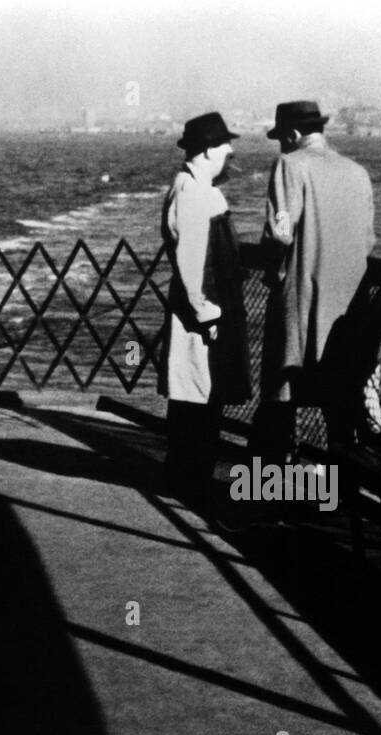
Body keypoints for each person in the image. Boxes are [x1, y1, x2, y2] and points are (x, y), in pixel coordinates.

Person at [253, 100, 376, 465]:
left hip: (301, 303)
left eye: (281, 138)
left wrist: (270, 270)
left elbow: (280, 233)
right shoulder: (358, 172)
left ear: (292, 135)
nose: (280, 145)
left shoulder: (290, 165)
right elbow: (368, 241)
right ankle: (335, 501)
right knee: (339, 408)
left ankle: (271, 497)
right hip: (349, 313)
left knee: (281, 400)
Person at [159, 111, 252, 502]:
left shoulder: (194, 187)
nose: (230, 151)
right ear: (207, 150)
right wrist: (206, 312)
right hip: (203, 315)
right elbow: (193, 259)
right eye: (224, 145)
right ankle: (189, 483)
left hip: (203, 310)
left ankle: (184, 478)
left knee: (195, 398)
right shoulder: (193, 192)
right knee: (199, 400)